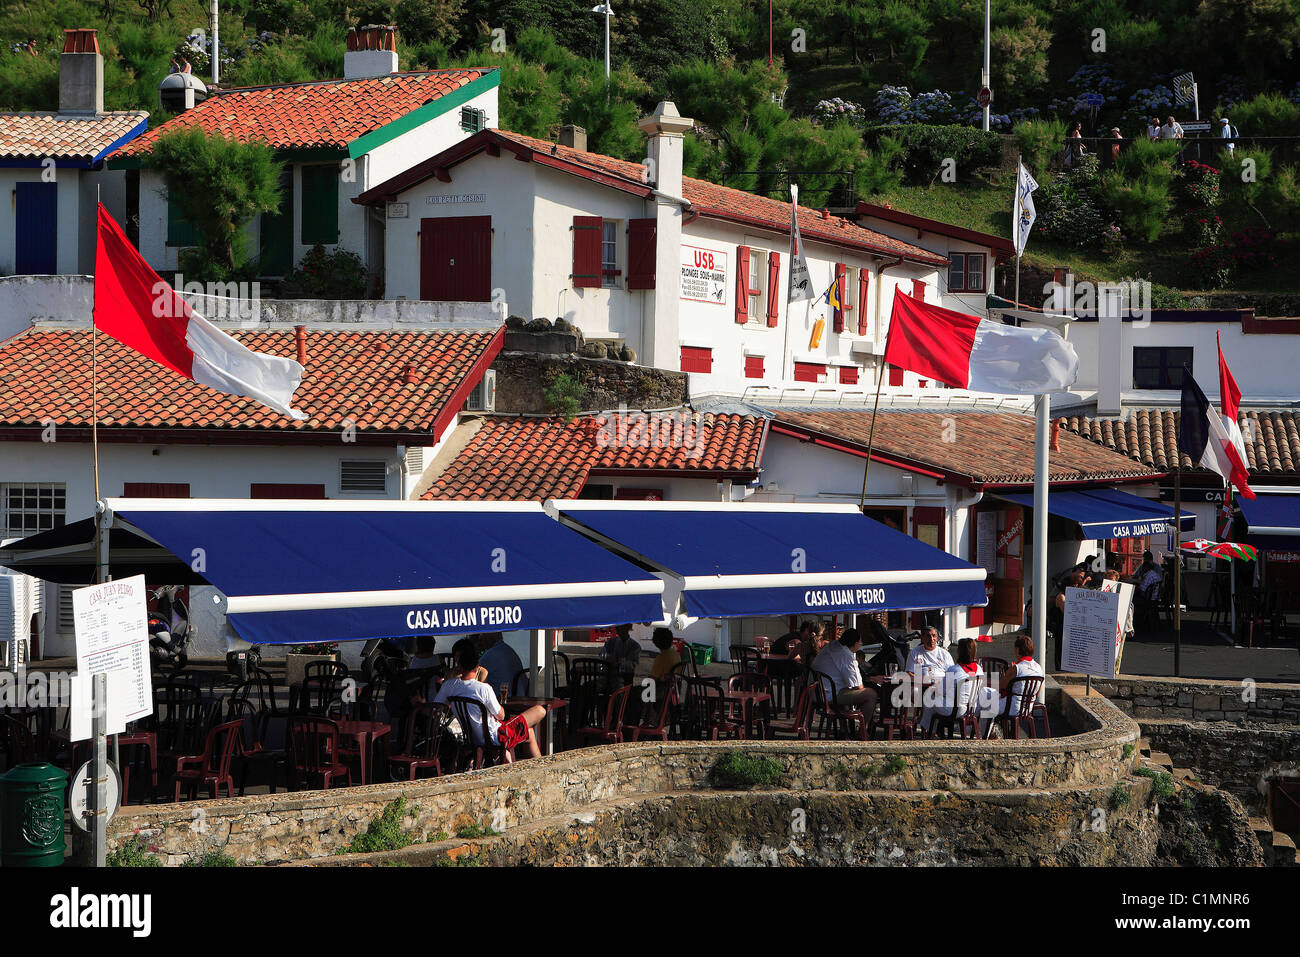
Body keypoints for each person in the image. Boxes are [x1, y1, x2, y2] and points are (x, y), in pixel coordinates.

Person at [434, 640, 548, 760]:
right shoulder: (484, 688)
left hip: (471, 738)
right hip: (495, 737)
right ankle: (539, 768)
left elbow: (436, 706)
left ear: (459, 665)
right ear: (478, 666)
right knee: (540, 710)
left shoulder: (448, 686)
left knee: (529, 732)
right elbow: (501, 716)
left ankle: (519, 763)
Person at [811, 628, 878, 721]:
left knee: (847, 689)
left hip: (815, 692)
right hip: (829, 695)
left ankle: (845, 728)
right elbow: (858, 687)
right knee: (870, 694)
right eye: (860, 644)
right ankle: (862, 732)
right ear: (855, 644)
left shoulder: (832, 645)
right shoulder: (846, 656)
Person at [921, 638, 983, 736]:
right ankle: (935, 730)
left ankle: (929, 732)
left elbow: (941, 692)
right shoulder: (979, 669)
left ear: (959, 651)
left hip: (954, 710)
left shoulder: (954, 670)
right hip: (971, 710)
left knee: (929, 698)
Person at [998, 635, 1044, 722]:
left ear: (1018, 650)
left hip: (1012, 707)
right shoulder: (1039, 668)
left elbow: (1000, 687)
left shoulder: (1016, 668)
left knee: (986, 701)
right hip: (1027, 709)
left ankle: (984, 733)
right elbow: (1037, 694)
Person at [600, 622, 641, 689]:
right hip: (609, 676)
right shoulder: (610, 642)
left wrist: (620, 663)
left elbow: (633, 664)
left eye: (621, 627)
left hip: (625, 678)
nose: (618, 629)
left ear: (627, 628)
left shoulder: (635, 646)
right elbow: (603, 657)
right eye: (617, 627)